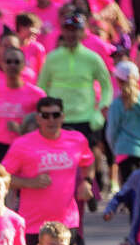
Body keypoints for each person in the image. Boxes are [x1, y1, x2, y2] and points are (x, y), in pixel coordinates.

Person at [2, 96, 94, 245]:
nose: (51, 120)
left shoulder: (77, 140)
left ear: (63, 117)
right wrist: (29, 183)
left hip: (67, 220)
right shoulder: (23, 144)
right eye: (45, 116)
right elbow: (2, 177)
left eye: (55, 115)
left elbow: (88, 162)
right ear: (38, 118)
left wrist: (86, 181)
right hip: (33, 224)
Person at [37, 13, 111, 203]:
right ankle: (63, 193)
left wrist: (99, 111)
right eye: (68, 30)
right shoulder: (52, 57)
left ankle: (90, 188)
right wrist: (44, 114)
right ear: (63, 31)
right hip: (57, 119)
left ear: (82, 33)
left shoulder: (92, 58)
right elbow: (42, 86)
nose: (71, 35)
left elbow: (106, 86)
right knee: (60, 159)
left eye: (75, 30)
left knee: (88, 156)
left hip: (85, 117)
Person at [106, 60, 140, 183]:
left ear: (118, 81)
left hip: (124, 152)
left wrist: (116, 149)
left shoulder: (117, 103)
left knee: (128, 194)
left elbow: (112, 131)